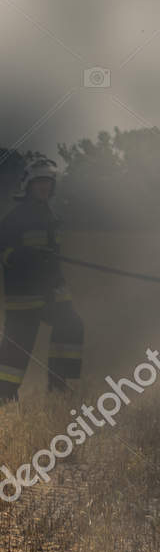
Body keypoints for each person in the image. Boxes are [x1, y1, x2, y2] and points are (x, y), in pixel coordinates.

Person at [0, 158, 83, 402]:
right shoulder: (15, 218)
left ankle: (58, 386)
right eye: (39, 182)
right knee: (17, 349)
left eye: (48, 182)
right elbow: (4, 251)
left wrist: (56, 282)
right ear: (28, 185)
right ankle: (4, 396)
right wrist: (22, 255)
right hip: (24, 296)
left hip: (51, 291)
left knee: (71, 325)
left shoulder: (52, 217)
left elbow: (53, 258)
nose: (44, 186)